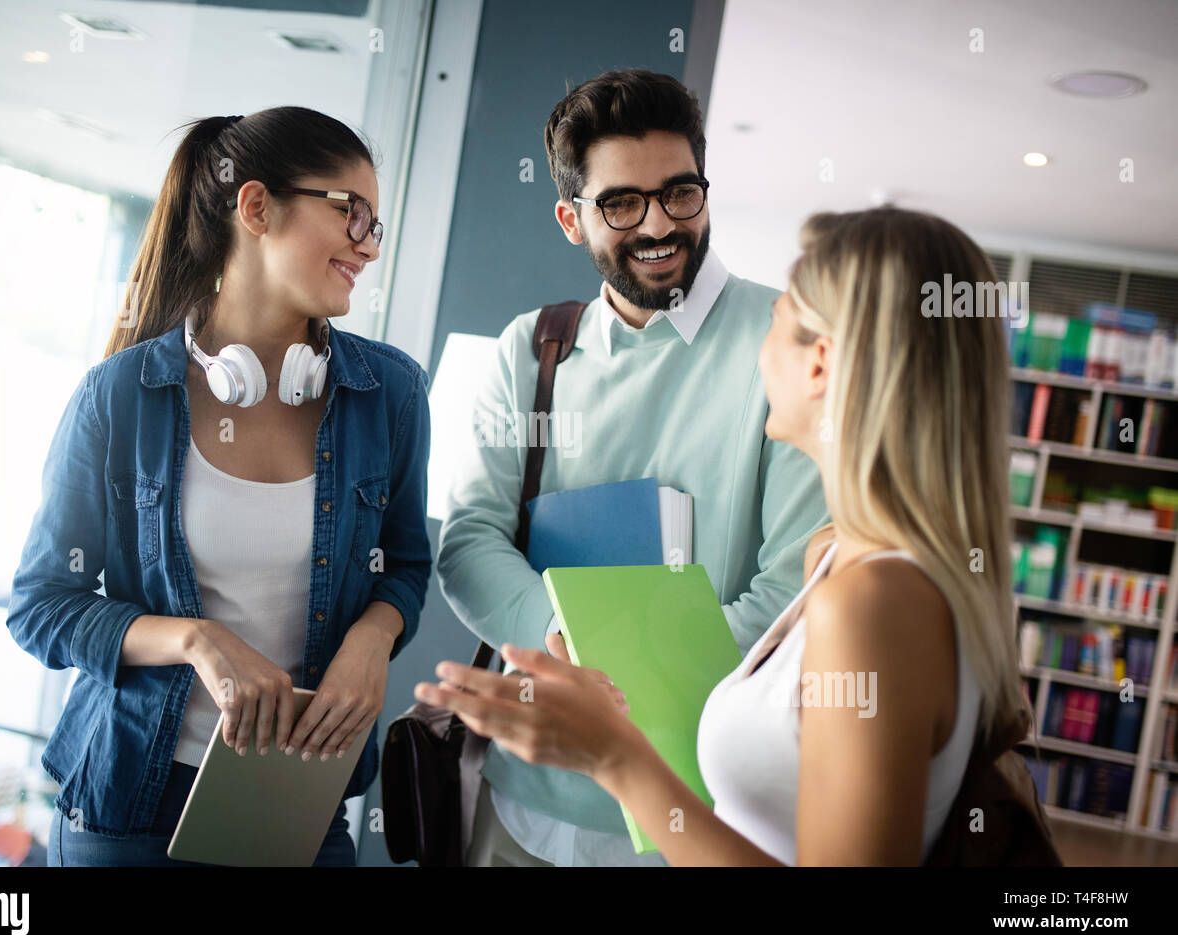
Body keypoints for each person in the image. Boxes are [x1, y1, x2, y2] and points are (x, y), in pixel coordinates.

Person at [418, 206, 1031, 865]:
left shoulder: (873, 604)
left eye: (778, 321)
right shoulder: (838, 559)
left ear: (820, 365)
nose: (759, 338)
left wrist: (615, 756)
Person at [6, 107, 432, 866]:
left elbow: (403, 564)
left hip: (299, 800)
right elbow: (42, 607)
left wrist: (374, 639)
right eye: (351, 213)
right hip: (131, 802)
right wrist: (197, 641)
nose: (368, 244)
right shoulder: (120, 396)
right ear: (257, 206)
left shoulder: (389, 393)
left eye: (376, 223)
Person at [436, 69, 830, 866]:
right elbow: (472, 539)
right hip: (521, 799)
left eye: (680, 193)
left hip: (693, 810)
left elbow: (794, 594)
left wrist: (613, 682)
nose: (658, 223)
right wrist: (557, 639)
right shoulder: (534, 348)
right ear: (570, 220)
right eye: (621, 203)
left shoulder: (789, 341)